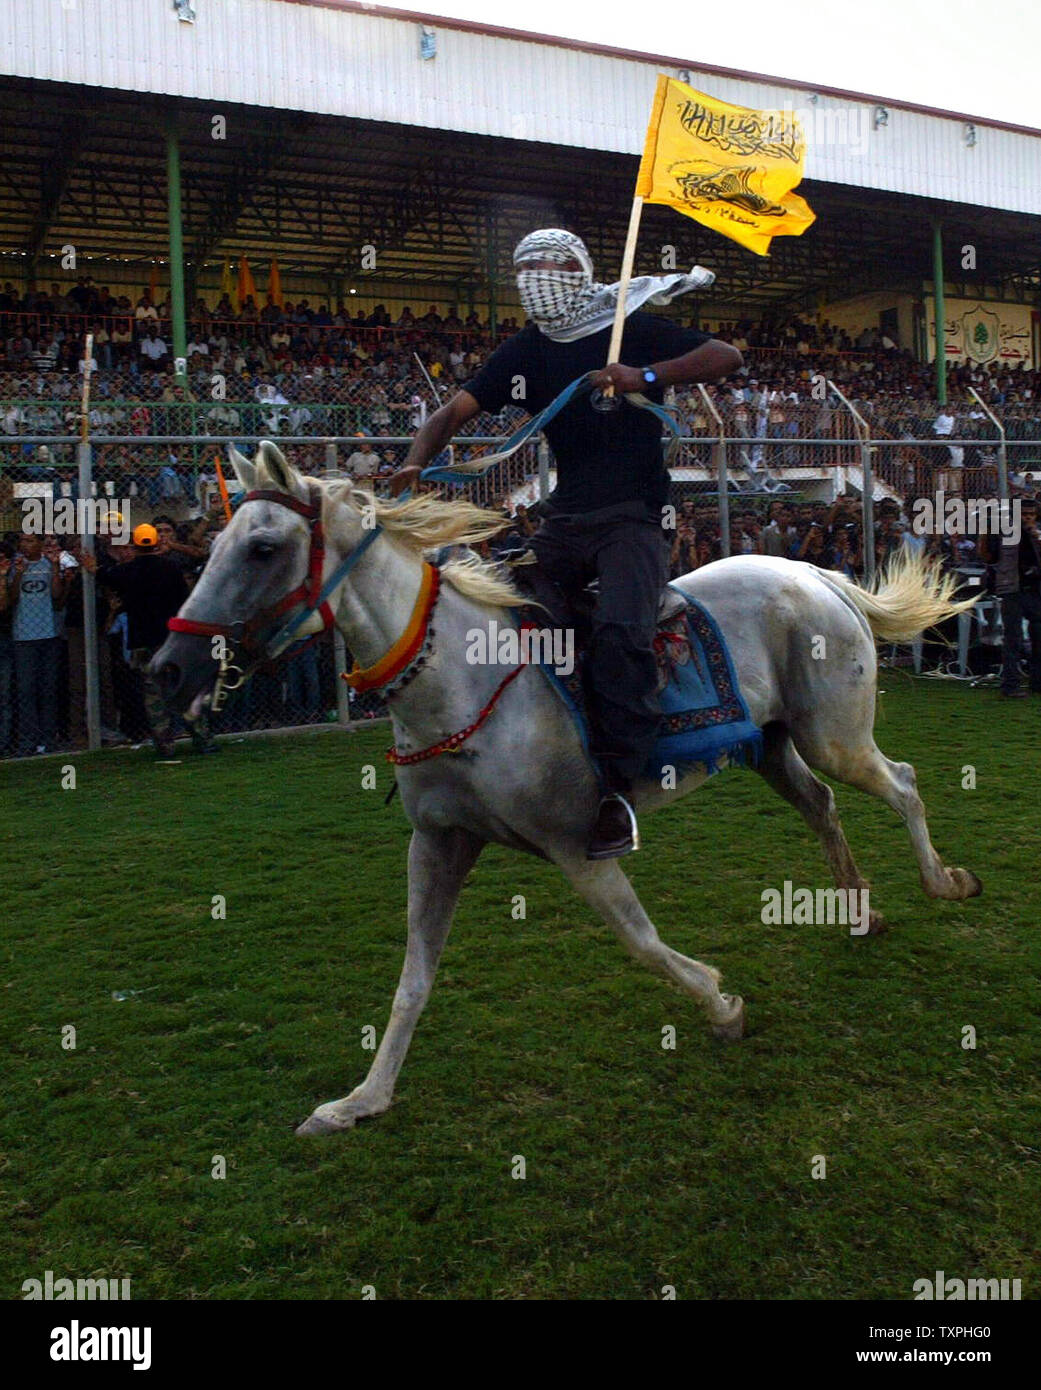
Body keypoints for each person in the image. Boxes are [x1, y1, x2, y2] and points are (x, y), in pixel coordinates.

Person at [389, 227, 739, 857]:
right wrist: (417, 461)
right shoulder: (525, 350)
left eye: (551, 263)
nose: (537, 275)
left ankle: (618, 791)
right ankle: (528, 749)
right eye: (525, 265)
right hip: (565, 520)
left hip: (635, 515)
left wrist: (643, 374)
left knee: (619, 633)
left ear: (580, 269)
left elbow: (727, 356)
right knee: (511, 617)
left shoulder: (628, 327)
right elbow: (452, 412)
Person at [89, 523, 215, 759]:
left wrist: (92, 567)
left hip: (144, 641)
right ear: (156, 543)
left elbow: (107, 576)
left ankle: (165, 745)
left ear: (135, 546)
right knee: (184, 688)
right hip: (172, 640)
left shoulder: (128, 571)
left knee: (153, 694)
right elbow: (183, 599)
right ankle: (202, 738)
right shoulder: (171, 568)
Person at [993, 494, 1041, 698]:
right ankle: (1010, 684)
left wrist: (1035, 537)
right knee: (1013, 638)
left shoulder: (1037, 534)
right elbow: (991, 556)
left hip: (1034, 590)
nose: (1027, 518)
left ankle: (1037, 681)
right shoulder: (1008, 533)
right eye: (1024, 514)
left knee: (1038, 636)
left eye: (1031, 514)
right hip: (1013, 589)